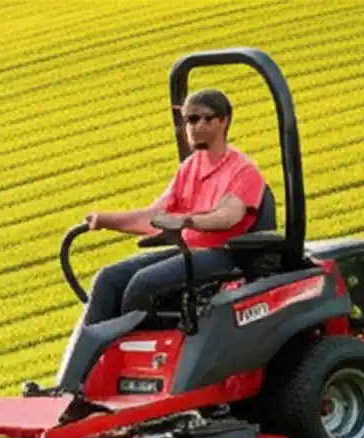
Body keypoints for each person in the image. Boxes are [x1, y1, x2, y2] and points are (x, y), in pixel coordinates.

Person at [79, 88, 267, 326]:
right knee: (107, 279)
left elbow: (228, 215)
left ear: (224, 121)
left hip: (226, 255)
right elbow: (155, 216)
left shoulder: (242, 170)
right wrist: (106, 220)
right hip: (190, 251)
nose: (197, 126)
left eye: (207, 119)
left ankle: (135, 353)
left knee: (144, 285)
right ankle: (92, 356)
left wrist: (188, 221)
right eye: (191, 119)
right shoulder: (189, 168)